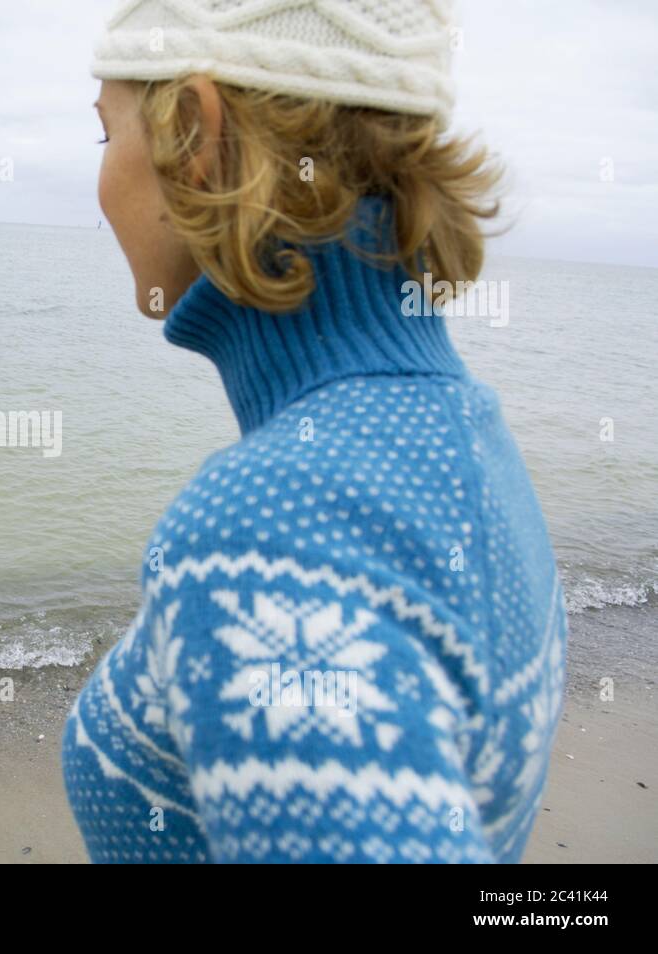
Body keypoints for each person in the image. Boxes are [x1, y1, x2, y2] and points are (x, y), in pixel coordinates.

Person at [61, 0, 568, 862]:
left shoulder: (271, 525)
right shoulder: (467, 439)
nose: (103, 176)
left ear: (193, 133)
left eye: (106, 133)